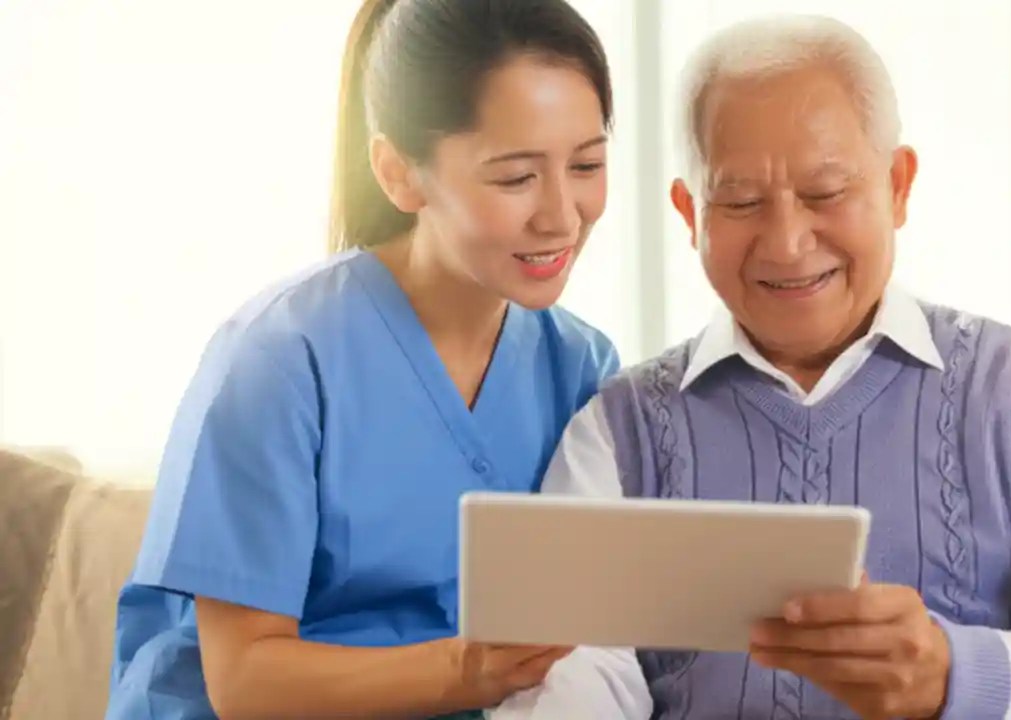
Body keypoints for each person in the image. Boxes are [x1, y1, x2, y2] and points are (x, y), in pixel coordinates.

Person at [497, 14, 1011, 720]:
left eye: (826, 194)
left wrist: (955, 676)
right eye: (739, 202)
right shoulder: (617, 434)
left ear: (898, 185)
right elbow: (560, 682)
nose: (789, 244)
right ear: (689, 212)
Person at [105, 1, 649, 718]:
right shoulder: (278, 359)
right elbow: (244, 681)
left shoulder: (579, 366)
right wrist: (467, 669)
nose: (563, 214)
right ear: (400, 173)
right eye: (516, 178)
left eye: (586, 164)